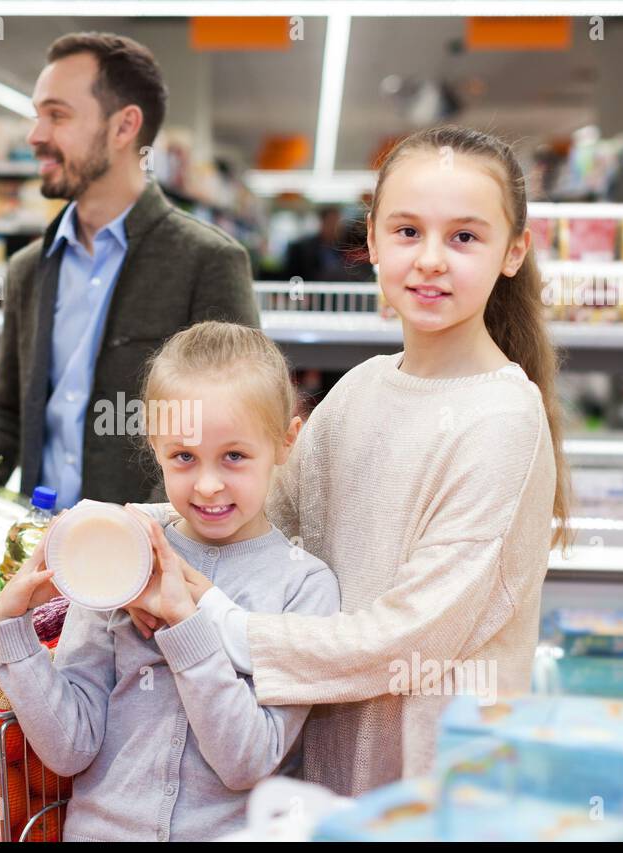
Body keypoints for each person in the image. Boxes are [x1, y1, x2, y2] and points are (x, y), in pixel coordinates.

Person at [126, 125, 571, 797]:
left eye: (464, 237)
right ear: (372, 241)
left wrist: (220, 621)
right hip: (331, 778)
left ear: (514, 251)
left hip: (435, 791)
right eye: (407, 231)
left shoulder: (503, 420)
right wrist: (130, 533)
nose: (429, 260)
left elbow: (408, 637)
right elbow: (255, 516)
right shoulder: (360, 388)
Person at [0, 322, 339, 841]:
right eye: (184, 457)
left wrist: (184, 623)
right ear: (155, 445)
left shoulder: (305, 587)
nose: (209, 484)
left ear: (286, 441)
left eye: (235, 456)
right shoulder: (118, 557)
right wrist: (12, 629)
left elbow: (247, 761)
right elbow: (71, 748)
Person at [0, 32, 259, 512]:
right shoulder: (28, 270)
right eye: (37, 116)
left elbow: (234, 426)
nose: (36, 136)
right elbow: (8, 413)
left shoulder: (207, 260)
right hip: (39, 547)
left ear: (124, 126)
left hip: (153, 558)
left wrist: (147, 536)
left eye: (57, 115)